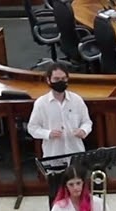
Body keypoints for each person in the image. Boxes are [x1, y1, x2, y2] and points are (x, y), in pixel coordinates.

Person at [27, 61, 92, 195]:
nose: (60, 82)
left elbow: (87, 122)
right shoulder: (41, 103)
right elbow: (32, 128)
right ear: (49, 80)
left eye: (63, 79)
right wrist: (48, 133)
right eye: (56, 79)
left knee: (81, 195)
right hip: (54, 157)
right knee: (57, 196)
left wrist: (83, 130)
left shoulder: (77, 100)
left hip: (76, 155)